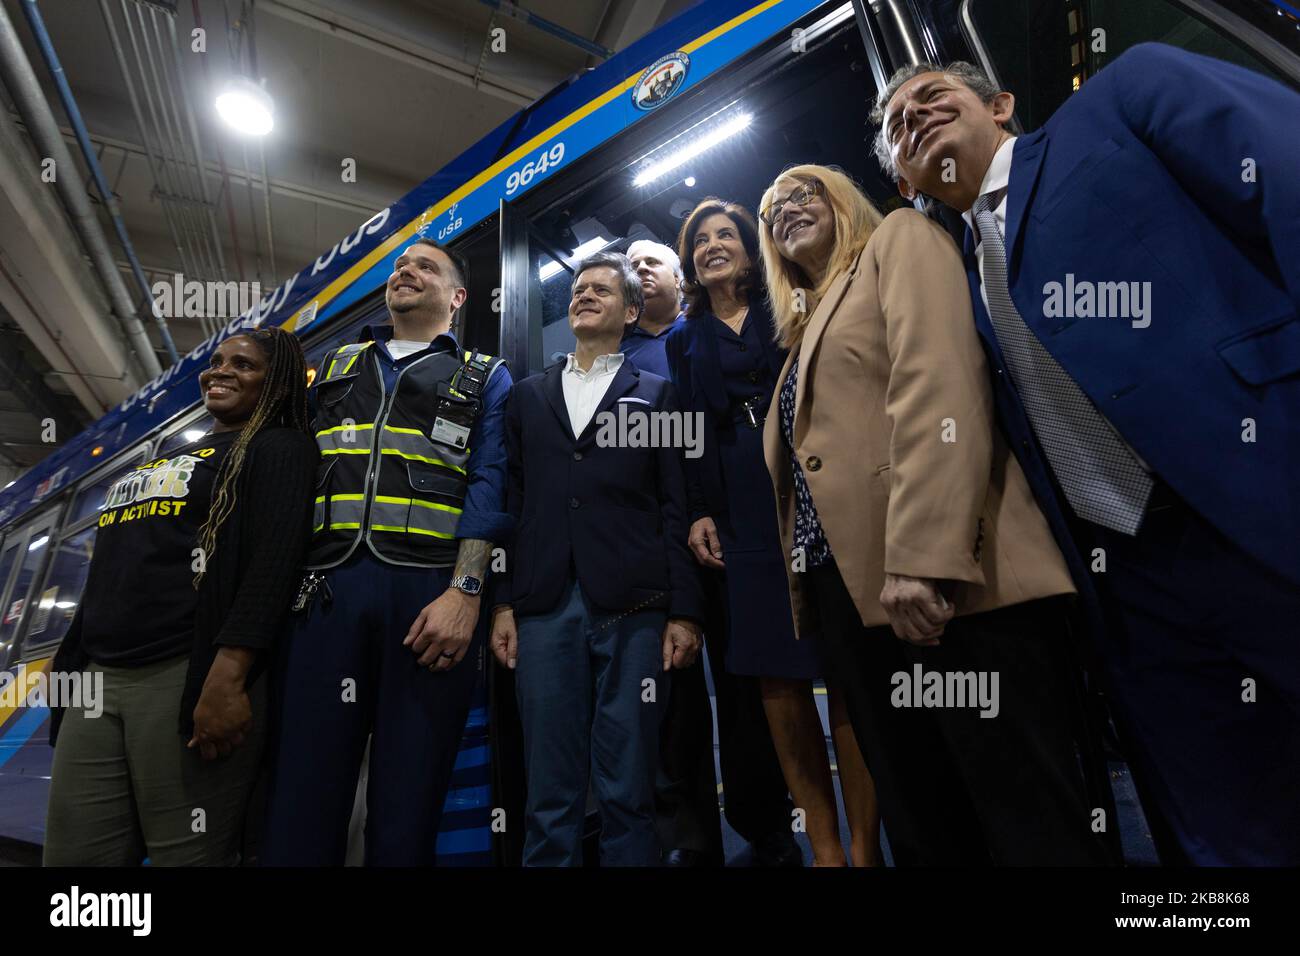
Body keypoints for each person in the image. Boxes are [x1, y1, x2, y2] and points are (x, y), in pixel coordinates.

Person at [871, 43, 1300, 866]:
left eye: (931, 95)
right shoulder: (951, 282)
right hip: (1130, 585)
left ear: (999, 107)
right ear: (903, 181)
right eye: (896, 124)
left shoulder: (1122, 97)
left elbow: (1281, 169)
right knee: (1224, 818)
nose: (914, 113)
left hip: (1265, 491)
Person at [758, 164, 1110, 866]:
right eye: (771, 211)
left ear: (843, 202)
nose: (787, 211)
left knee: (1024, 816)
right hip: (858, 608)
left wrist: (922, 555)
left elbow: (938, 384)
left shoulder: (899, 238)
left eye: (804, 193)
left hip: (949, 584)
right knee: (927, 823)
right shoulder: (798, 335)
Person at [261, 238, 512, 866]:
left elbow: (491, 483)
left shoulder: (486, 374)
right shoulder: (336, 365)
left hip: (428, 601)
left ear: (456, 297)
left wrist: (467, 593)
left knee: (409, 804)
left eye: (425, 266)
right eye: (401, 266)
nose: (405, 271)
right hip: (324, 595)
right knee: (301, 796)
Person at [44, 327, 317, 866]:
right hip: (98, 677)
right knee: (74, 858)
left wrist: (230, 675)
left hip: (183, 674)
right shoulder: (174, 454)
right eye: (217, 361)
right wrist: (69, 654)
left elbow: (272, 565)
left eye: (244, 365)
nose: (222, 371)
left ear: (277, 383)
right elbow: (113, 565)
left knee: (185, 856)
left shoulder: (279, 447)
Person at [665, 198, 873, 867]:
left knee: (844, 666)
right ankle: (825, 848)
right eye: (701, 240)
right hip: (737, 505)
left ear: (750, 249)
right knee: (776, 681)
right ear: (691, 261)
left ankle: (865, 850)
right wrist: (700, 510)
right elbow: (689, 434)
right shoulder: (681, 338)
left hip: (811, 479)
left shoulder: (791, 302)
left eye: (726, 233)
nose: (713, 244)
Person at [489, 251, 703, 866]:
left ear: (631, 311)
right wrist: (502, 601)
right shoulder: (526, 397)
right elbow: (513, 503)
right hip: (542, 608)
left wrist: (686, 613)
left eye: (602, 290)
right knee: (548, 795)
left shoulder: (659, 395)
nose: (583, 294)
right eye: (579, 288)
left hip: (636, 609)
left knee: (628, 790)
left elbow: (675, 506)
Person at [621, 238, 719, 866]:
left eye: (651, 260)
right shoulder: (614, 364)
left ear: (682, 278)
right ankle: (686, 843)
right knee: (668, 710)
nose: (639, 270)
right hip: (658, 554)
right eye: (629, 264)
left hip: (725, 538)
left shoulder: (704, 340)